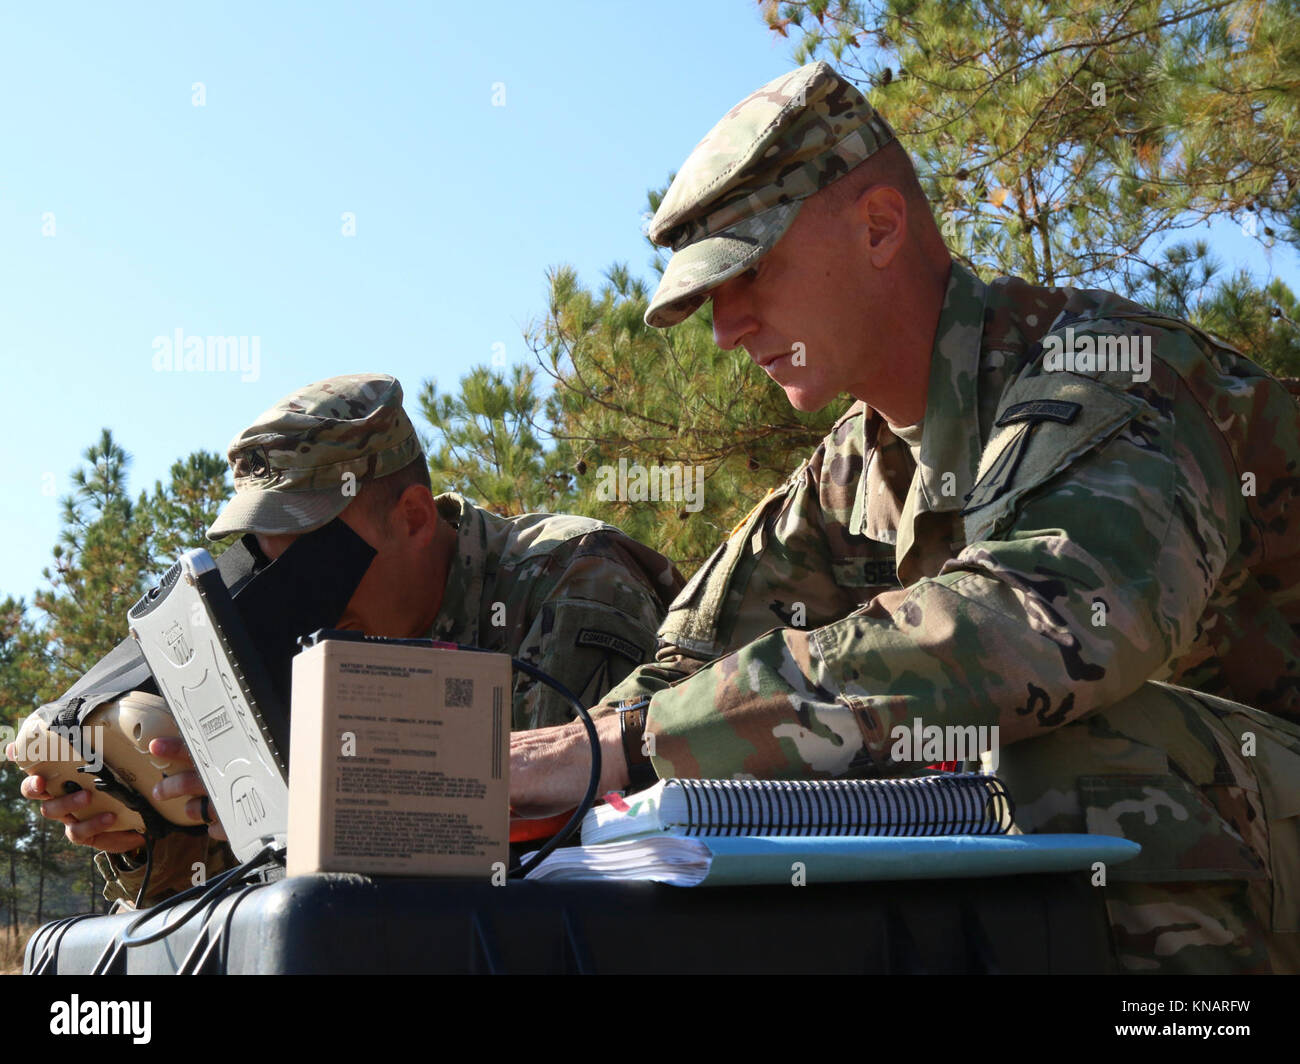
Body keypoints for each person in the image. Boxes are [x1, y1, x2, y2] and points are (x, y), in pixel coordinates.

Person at [509, 61, 1300, 974]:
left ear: (880, 226)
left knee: (1031, 751)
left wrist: (642, 745)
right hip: (1237, 821)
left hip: (1254, 794)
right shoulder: (860, 459)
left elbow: (1039, 631)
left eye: (749, 273)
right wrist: (546, 769)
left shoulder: (1109, 370)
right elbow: (691, 663)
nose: (724, 329)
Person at [21, 373, 682, 907]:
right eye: (271, 567)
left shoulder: (573, 581)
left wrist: (323, 791)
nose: (297, 596)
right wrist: (150, 825)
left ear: (414, 518)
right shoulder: (306, 648)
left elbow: (556, 837)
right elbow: (242, 887)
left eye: (316, 563)